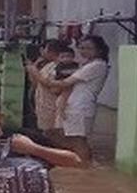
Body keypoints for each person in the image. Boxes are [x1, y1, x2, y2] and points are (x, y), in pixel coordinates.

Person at [27, 35, 109, 165]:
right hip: (72, 105)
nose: (84, 51)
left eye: (88, 48)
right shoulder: (85, 64)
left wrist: (35, 73)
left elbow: (63, 83)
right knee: (60, 135)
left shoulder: (97, 65)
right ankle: (80, 163)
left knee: (78, 140)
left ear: (99, 50)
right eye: (81, 48)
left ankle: (86, 166)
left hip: (79, 106)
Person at [31, 39, 70, 134]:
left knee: (54, 134)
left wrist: (35, 73)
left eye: (44, 49)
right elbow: (36, 84)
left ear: (49, 50)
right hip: (43, 105)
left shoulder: (61, 67)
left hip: (52, 106)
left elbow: (56, 89)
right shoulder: (48, 65)